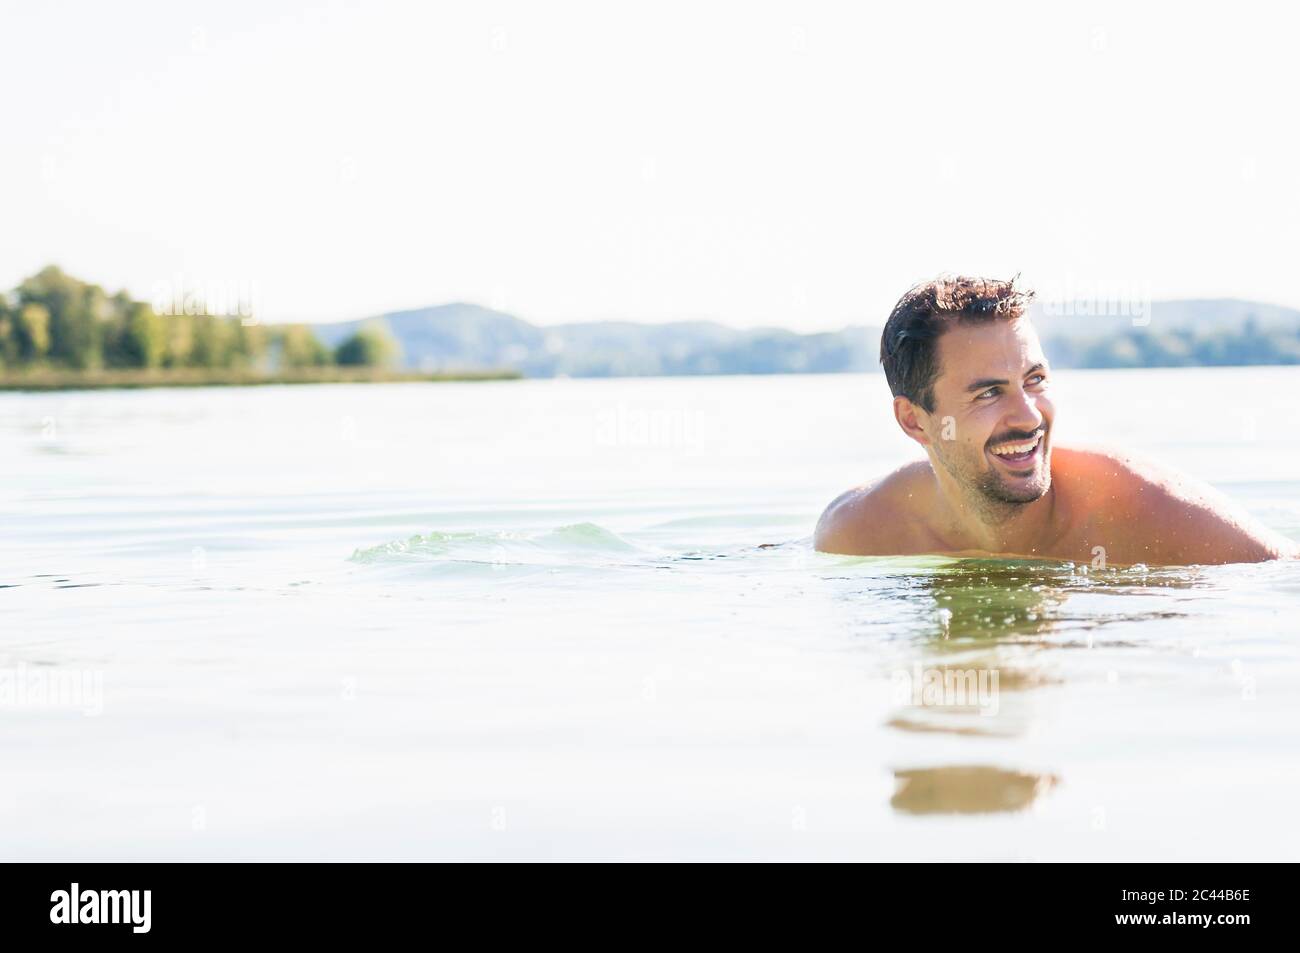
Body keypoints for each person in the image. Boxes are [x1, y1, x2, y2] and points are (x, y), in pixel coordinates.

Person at [814, 276, 1296, 565]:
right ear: (915, 422)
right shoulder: (859, 533)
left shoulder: (1146, 508)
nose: (1028, 415)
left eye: (1035, 379)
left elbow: (1283, 576)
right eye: (988, 392)